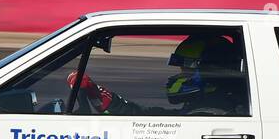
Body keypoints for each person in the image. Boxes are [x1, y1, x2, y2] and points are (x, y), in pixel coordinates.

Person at [66, 32, 247, 116]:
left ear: (211, 72)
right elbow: (148, 115)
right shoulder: (210, 107)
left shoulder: (208, 115)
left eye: (187, 70)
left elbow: (150, 122)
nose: (180, 76)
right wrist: (101, 95)